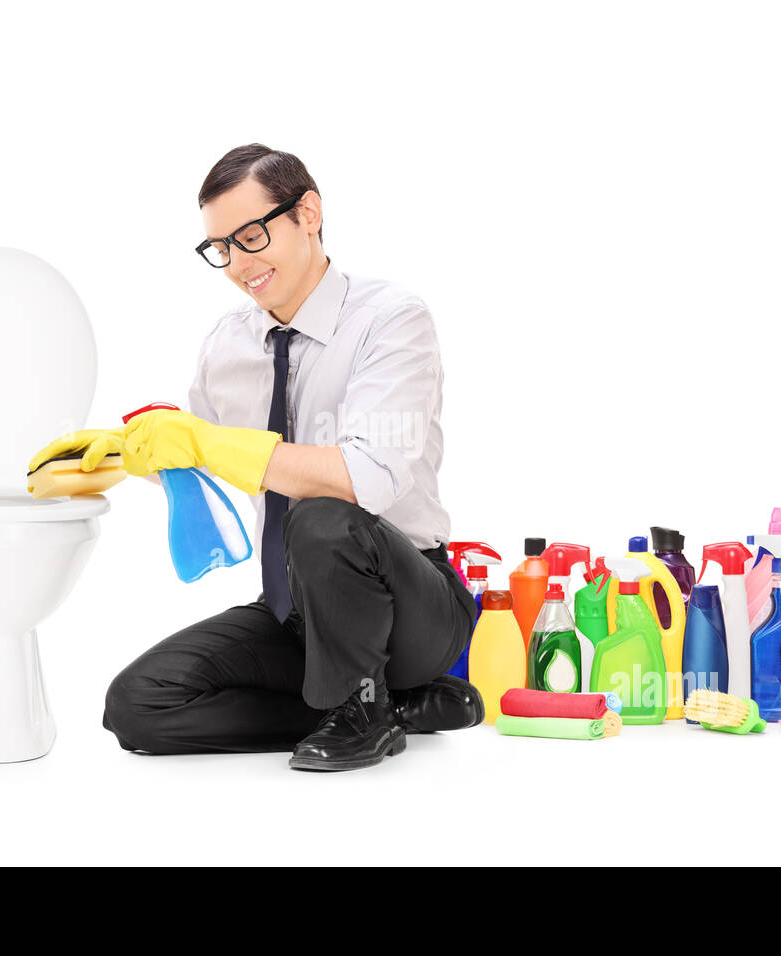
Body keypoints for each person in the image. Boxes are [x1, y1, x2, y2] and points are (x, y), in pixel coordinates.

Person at [30, 144, 482, 771]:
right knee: (137, 705)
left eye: (251, 235)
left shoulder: (391, 320)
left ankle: (380, 692)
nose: (239, 265)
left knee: (321, 515)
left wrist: (204, 439)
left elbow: (364, 480)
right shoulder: (227, 345)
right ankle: (386, 708)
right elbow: (201, 460)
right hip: (297, 609)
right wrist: (115, 455)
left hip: (408, 608)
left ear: (309, 213)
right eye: (221, 247)